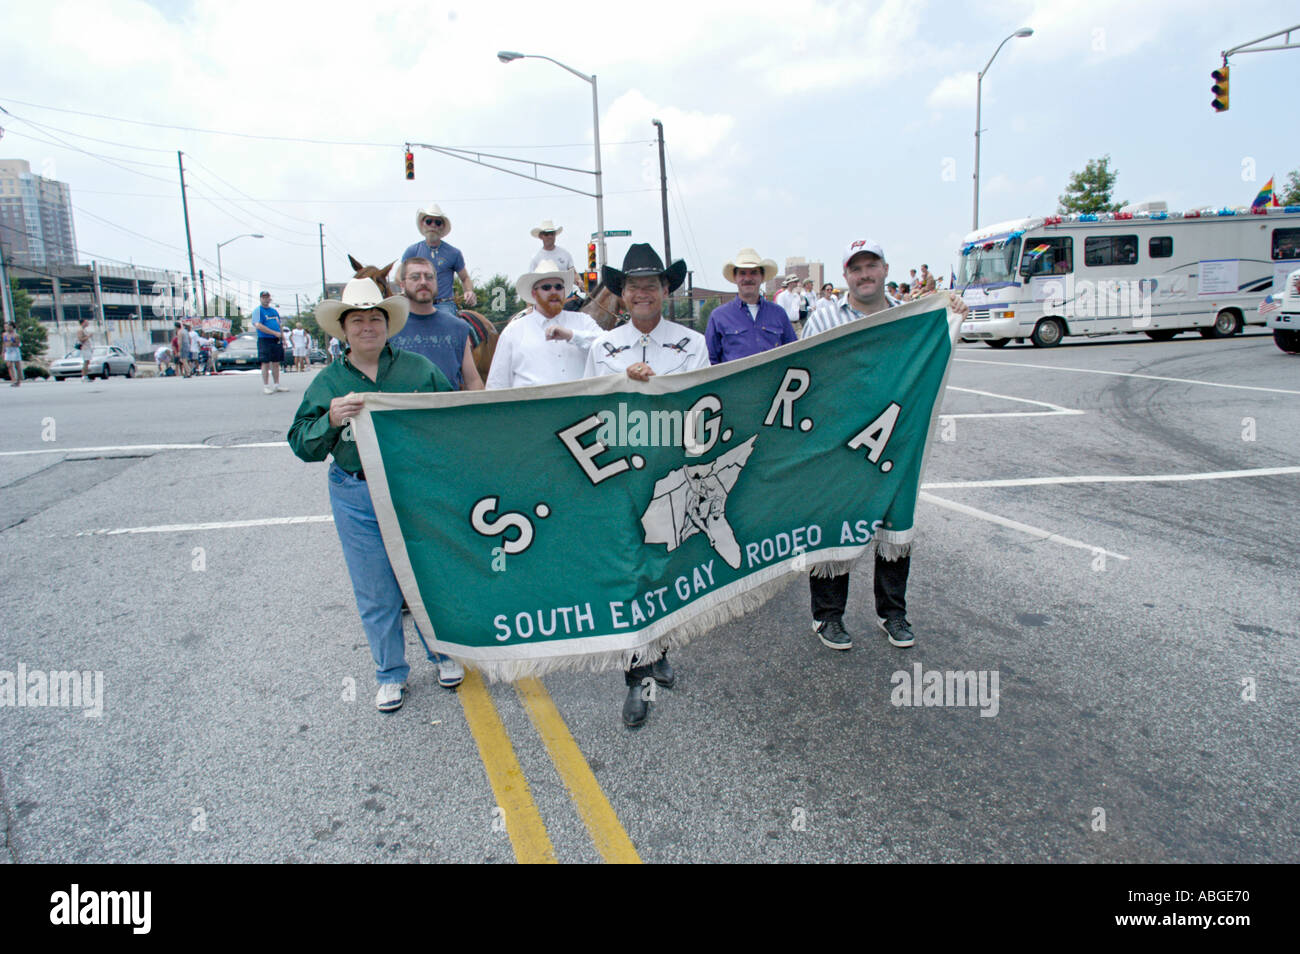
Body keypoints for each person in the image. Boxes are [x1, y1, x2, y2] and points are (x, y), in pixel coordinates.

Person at [288, 277, 464, 712]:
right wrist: (329, 419)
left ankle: (444, 653)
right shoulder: (327, 382)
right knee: (375, 588)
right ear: (343, 329)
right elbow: (301, 444)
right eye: (357, 320)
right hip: (356, 490)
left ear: (387, 325)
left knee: (426, 577)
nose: (367, 327)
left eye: (375, 319)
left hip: (413, 488)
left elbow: (453, 419)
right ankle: (390, 673)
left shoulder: (418, 370)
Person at [801, 238, 967, 652]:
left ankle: (892, 612)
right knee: (833, 526)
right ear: (846, 276)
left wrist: (954, 314)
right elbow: (805, 371)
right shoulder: (823, 317)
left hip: (895, 437)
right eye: (856, 268)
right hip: (838, 441)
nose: (864, 275)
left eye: (871, 265)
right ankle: (828, 617)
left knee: (894, 525)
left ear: (885, 269)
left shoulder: (910, 317)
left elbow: (939, 346)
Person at [584, 244, 709, 728]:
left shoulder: (691, 342)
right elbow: (586, 412)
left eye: (651, 285)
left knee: (668, 564)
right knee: (631, 569)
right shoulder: (602, 347)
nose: (642, 292)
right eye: (633, 285)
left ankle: (659, 649)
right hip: (619, 477)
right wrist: (624, 382)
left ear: (665, 290)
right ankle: (636, 677)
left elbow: (703, 403)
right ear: (621, 294)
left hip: (672, 471)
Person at [485, 259, 601, 389]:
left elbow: (607, 346)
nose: (553, 292)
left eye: (558, 287)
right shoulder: (513, 332)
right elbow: (497, 384)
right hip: (532, 408)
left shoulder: (583, 321)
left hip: (580, 407)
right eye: (546, 287)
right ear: (534, 293)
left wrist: (572, 335)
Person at [390, 257, 484, 391]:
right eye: (415, 277)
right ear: (402, 285)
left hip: (448, 410)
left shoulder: (458, 328)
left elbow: (473, 381)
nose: (423, 282)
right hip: (405, 410)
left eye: (429, 277)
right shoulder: (389, 328)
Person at [704, 247, 796, 364]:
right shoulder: (718, 316)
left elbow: (793, 353)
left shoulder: (779, 314)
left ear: (762, 277)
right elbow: (709, 360)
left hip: (774, 381)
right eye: (742, 273)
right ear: (735, 277)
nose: (747, 278)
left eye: (753, 273)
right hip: (735, 382)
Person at [399, 204, 477, 321]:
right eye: (429, 221)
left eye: (438, 222)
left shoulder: (453, 253)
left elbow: (465, 278)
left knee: (448, 325)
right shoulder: (412, 251)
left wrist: (469, 291)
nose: (433, 225)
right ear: (422, 224)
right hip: (416, 302)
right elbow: (399, 275)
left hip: (444, 304)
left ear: (442, 227)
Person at [250, 291, 288, 394]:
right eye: (263, 297)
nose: (266, 299)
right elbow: (258, 325)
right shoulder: (258, 311)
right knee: (265, 363)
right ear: (260, 299)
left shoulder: (274, 311)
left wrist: (283, 338)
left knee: (276, 363)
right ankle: (266, 386)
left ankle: (276, 384)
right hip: (265, 339)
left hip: (276, 339)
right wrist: (274, 333)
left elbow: (279, 325)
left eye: (267, 297)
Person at [528, 219, 581, 288]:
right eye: (546, 234)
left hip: (565, 294)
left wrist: (579, 280)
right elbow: (532, 280)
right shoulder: (535, 258)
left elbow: (573, 273)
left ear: (555, 235)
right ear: (541, 236)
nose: (550, 236)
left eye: (552, 233)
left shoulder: (565, 254)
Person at [3, 322, 22, 386]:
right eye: (6, 326)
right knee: (9, 366)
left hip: (14, 351)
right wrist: (3, 352)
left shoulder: (16, 335)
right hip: (8, 351)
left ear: (12, 327)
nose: (7, 328)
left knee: (17, 366)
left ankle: (18, 381)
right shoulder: (4, 334)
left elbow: (18, 344)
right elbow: (4, 343)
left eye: (8, 326)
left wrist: (12, 344)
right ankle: (13, 380)